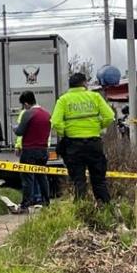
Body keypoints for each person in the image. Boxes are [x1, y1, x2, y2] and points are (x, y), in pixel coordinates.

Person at [51, 72, 115, 203]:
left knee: (79, 181)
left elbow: (56, 122)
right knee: (99, 181)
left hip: (74, 145)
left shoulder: (63, 100)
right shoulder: (95, 97)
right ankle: (106, 209)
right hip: (94, 144)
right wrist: (97, 127)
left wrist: (66, 132)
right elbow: (109, 116)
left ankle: (81, 210)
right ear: (84, 83)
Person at [15, 91, 51, 210]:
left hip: (29, 150)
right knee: (42, 176)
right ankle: (46, 201)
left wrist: (15, 128)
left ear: (26, 103)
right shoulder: (46, 114)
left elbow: (19, 131)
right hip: (43, 150)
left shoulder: (28, 113)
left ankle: (26, 203)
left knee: (27, 177)